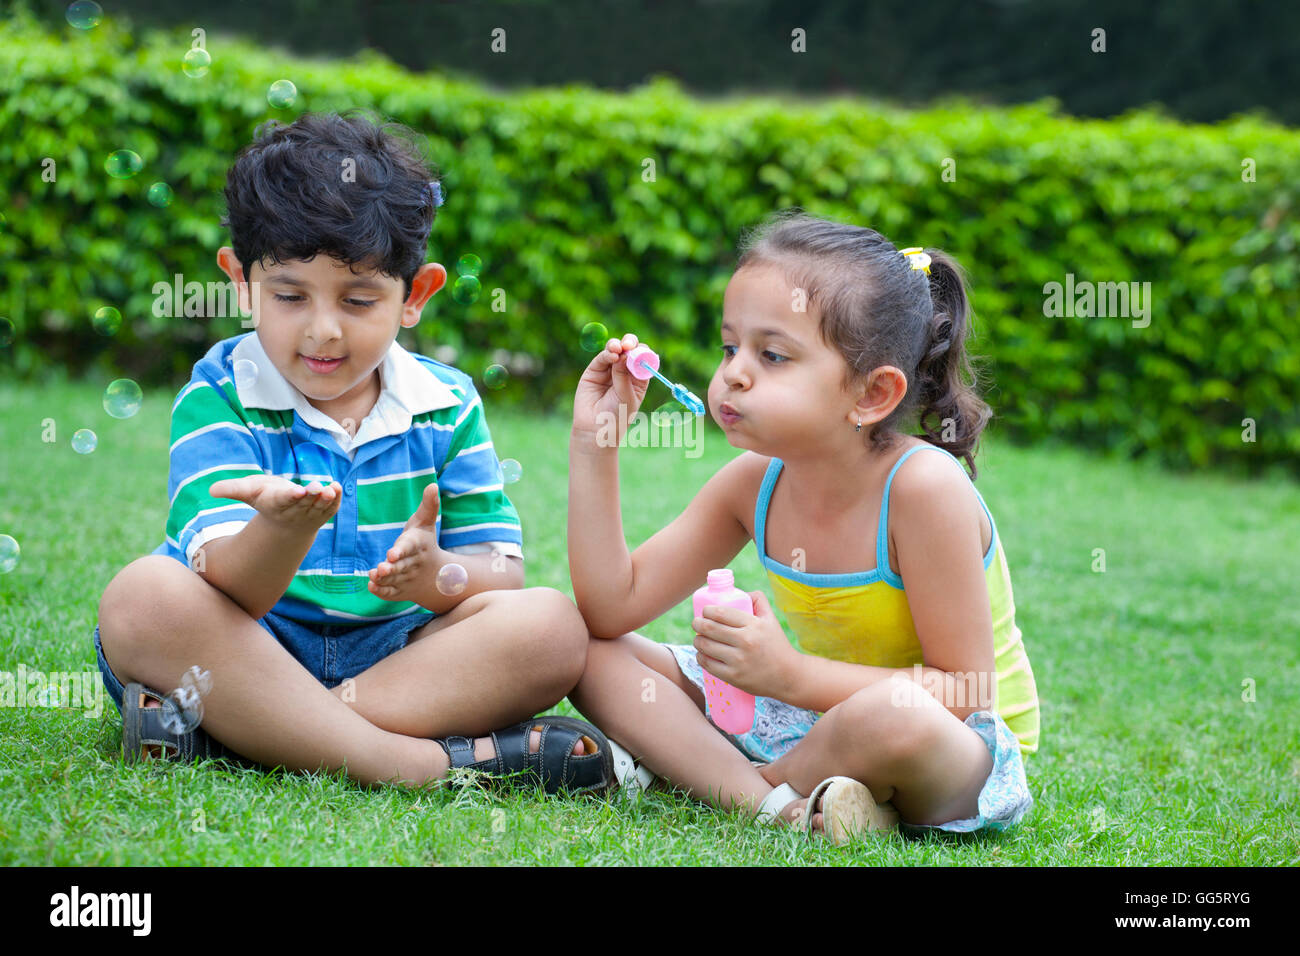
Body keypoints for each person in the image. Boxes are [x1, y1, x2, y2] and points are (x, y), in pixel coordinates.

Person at [94, 110, 613, 795]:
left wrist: (436, 578)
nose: (323, 330)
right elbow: (235, 588)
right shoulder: (220, 391)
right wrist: (280, 532)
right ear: (241, 281)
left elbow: (501, 573)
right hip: (249, 643)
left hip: (396, 659)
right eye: (288, 295)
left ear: (415, 295)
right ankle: (421, 764)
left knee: (550, 626)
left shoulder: (444, 401)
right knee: (142, 599)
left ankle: (251, 733)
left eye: (360, 298)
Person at [567, 211, 1039, 841]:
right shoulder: (754, 482)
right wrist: (595, 444)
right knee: (587, 651)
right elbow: (609, 609)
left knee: (886, 718)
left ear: (871, 395)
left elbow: (965, 690)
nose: (734, 372)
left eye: (773, 355)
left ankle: (740, 787)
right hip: (814, 718)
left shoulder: (923, 490)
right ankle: (799, 805)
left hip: (952, 747)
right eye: (729, 347)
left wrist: (787, 674)